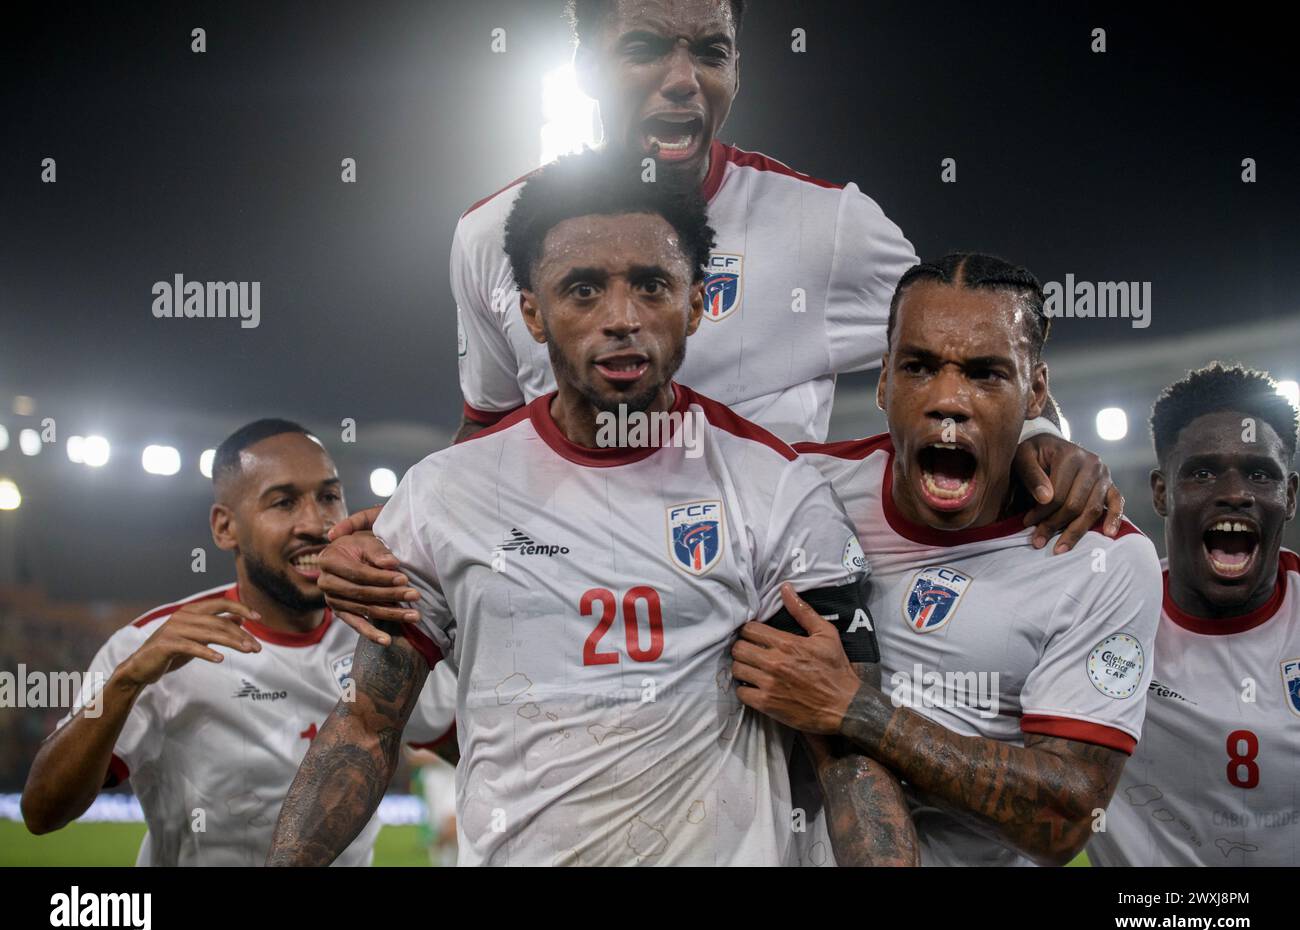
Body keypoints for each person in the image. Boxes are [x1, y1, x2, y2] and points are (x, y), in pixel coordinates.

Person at [319, 0, 1125, 647]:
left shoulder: (826, 226)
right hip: (578, 629)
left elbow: (966, 344)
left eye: (710, 51)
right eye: (644, 47)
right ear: (580, 65)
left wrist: (1032, 438)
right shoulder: (493, 235)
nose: (682, 80)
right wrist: (403, 535)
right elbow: (489, 427)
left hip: (768, 634)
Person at [268, 149, 917, 867]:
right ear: (531, 314)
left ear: (697, 303)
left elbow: (848, 758)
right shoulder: (443, 494)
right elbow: (366, 726)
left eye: (650, 286)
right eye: (582, 290)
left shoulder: (781, 492)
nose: (621, 319)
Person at [730, 253, 1164, 865]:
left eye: (986, 374)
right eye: (919, 367)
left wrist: (859, 711)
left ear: (1035, 391)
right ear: (883, 381)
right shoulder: (798, 488)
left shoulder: (1101, 559)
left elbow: (1063, 822)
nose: (948, 401)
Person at [21, 419, 453, 865]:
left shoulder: (383, 634)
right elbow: (43, 812)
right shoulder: (150, 645)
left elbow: (473, 748)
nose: (317, 523)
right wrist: (126, 682)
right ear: (225, 528)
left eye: (328, 496)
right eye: (283, 502)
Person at [1089, 363, 1299, 866]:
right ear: (1161, 492)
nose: (1234, 493)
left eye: (1260, 473)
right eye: (1203, 471)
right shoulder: (1101, 617)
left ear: (1290, 496)